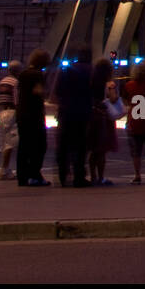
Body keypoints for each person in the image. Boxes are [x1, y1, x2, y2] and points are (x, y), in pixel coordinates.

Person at [54, 46, 94, 187]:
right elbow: (94, 91)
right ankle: (79, 176)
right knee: (80, 145)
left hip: (65, 111)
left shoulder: (66, 69)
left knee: (63, 144)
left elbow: (57, 90)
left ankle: (62, 175)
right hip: (82, 112)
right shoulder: (90, 70)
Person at [16, 49, 51, 186]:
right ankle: (35, 174)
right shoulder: (38, 75)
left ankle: (22, 177)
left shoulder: (23, 73)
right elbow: (38, 91)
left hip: (22, 113)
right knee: (40, 146)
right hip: (34, 114)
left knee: (23, 146)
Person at [88, 58, 120, 185]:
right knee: (101, 149)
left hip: (92, 116)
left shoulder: (92, 82)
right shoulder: (108, 84)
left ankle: (93, 176)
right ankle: (101, 177)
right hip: (104, 118)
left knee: (93, 149)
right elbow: (112, 99)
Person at [0, 60, 22, 180]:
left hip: (2, 112)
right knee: (11, 143)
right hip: (11, 112)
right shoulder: (15, 82)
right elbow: (17, 101)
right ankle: (4, 170)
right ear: (17, 71)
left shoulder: (2, 81)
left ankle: (4, 168)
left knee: (5, 141)